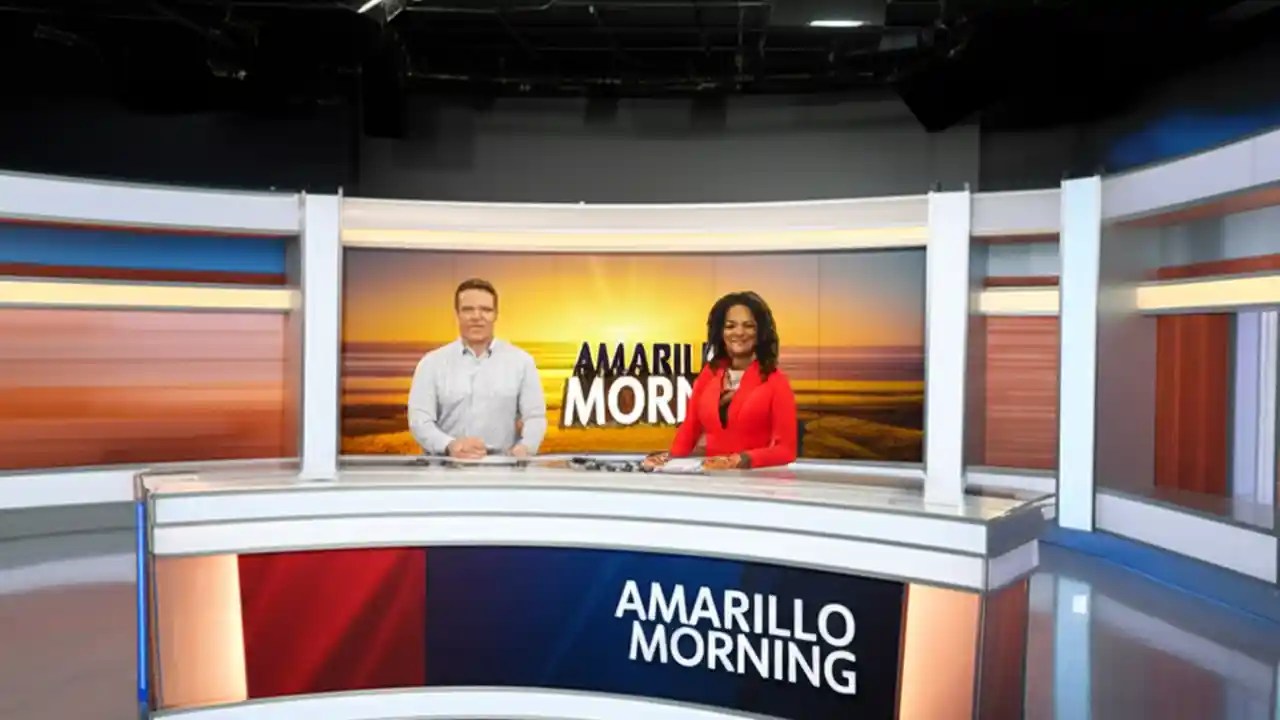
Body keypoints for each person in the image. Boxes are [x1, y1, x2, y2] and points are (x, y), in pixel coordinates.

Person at [644, 291, 797, 471]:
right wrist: (669, 459)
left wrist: (739, 460)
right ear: (721, 332)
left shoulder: (776, 382)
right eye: (730, 326)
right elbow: (690, 429)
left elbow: (786, 451)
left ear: (760, 332)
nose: (739, 332)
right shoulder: (710, 375)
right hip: (713, 484)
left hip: (757, 483)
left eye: (748, 326)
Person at [408, 278, 547, 459]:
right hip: (445, 468)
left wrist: (526, 447)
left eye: (485, 310)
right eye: (468, 310)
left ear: (496, 314)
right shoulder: (431, 363)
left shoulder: (521, 362)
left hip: (504, 471)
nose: (476, 317)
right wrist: (449, 445)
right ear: (457, 314)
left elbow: (534, 417)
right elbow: (420, 421)